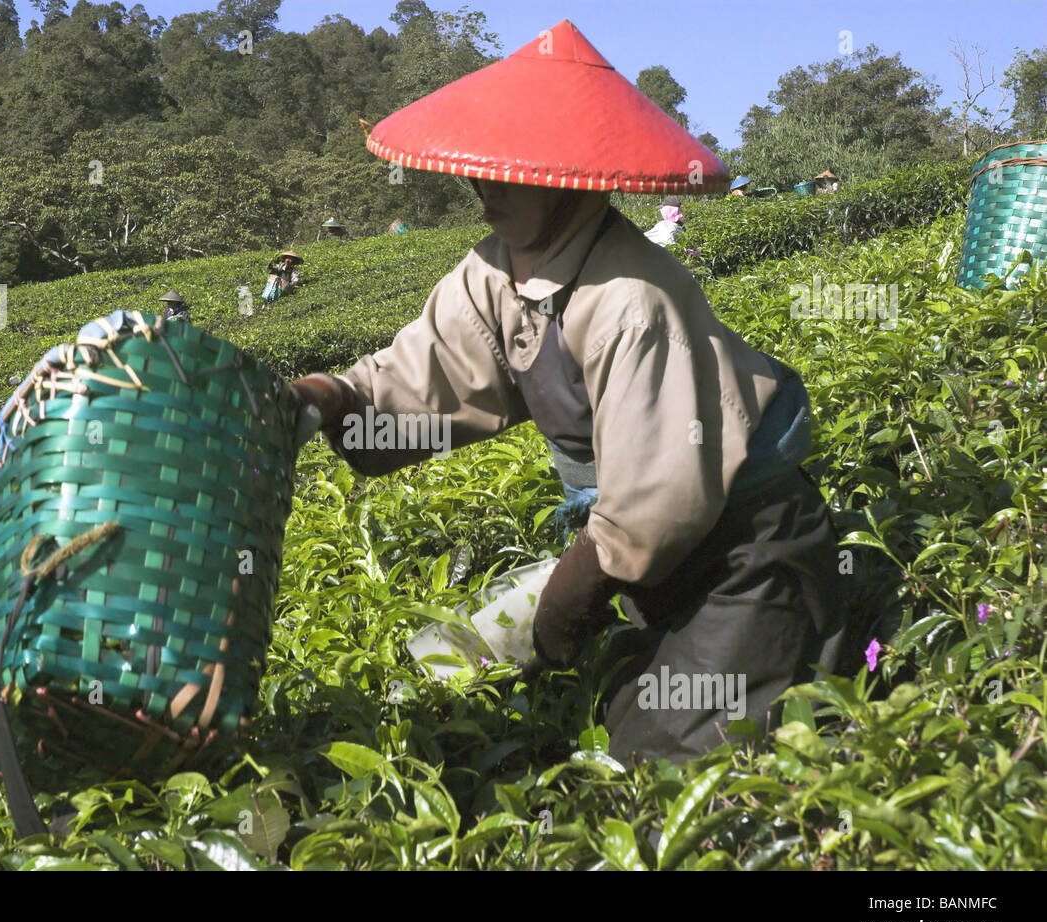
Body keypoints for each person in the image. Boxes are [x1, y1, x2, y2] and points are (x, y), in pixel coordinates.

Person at [290, 20, 846, 768]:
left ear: (565, 175)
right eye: (481, 168)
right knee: (558, 692)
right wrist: (325, 398)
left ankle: (830, 624)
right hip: (653, 551)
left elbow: (658, 503)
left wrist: (565, 603)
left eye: (508, 170)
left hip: (743, 546)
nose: (482, 185)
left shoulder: (631, 297)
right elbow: (422, 379)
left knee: (672, 758)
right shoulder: (496, 271)